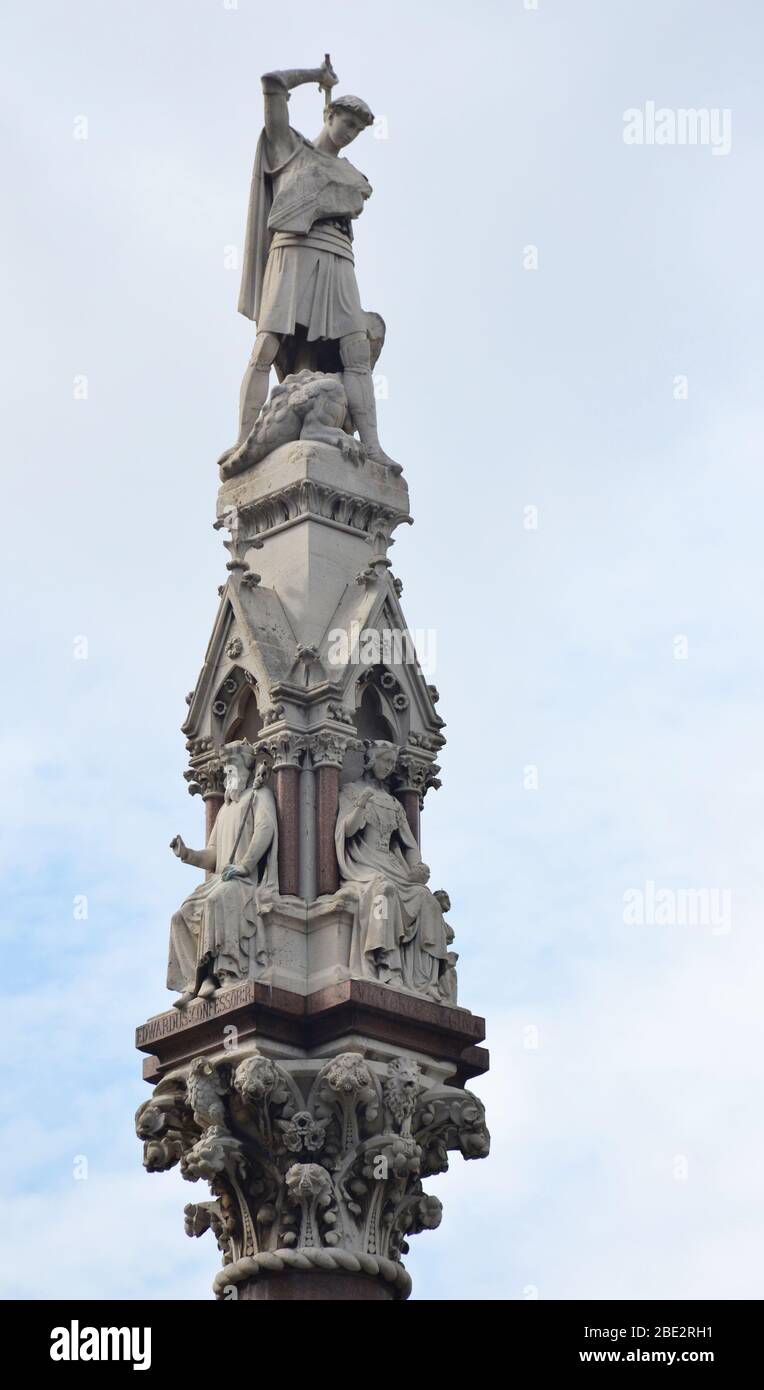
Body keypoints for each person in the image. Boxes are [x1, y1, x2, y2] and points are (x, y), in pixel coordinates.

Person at [221, 56, 397, 471]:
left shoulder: (354, 175)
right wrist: (317, 76)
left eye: (357, 129)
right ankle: (243, 441)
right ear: (329, 113)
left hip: (338, 256)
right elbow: (272, 83)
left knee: (355, 348)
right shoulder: (290, 147)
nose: (350, 133)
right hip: (293, 250)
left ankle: (372, 446)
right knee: (266, 345)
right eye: (346, 122)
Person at [335, 741, 451, 1001]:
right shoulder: (352, 792)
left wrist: (417, 867)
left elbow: (409, 844)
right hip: (364, 864)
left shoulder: (394, 804)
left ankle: (426, 980)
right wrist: (362, 805)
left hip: (392, 864)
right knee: (382, 890)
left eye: (391, 763)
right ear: (370, 761)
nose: (388, 768)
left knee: (426, 900)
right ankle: (387, 965)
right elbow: (347, 831)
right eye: (384, 762)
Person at [167, 743, 278, 1006]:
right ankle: (195, 980)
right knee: (181, 915)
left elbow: (265, 830)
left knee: (217, 900)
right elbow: (214, 853)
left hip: (242, 881)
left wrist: (246, 865)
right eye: (226, 770)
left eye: (232, 768)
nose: (228, 774)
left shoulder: (259, 796)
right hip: (222, 878)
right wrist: (188, 854)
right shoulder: (225, 810)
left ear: (245, 769)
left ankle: (225, 971)